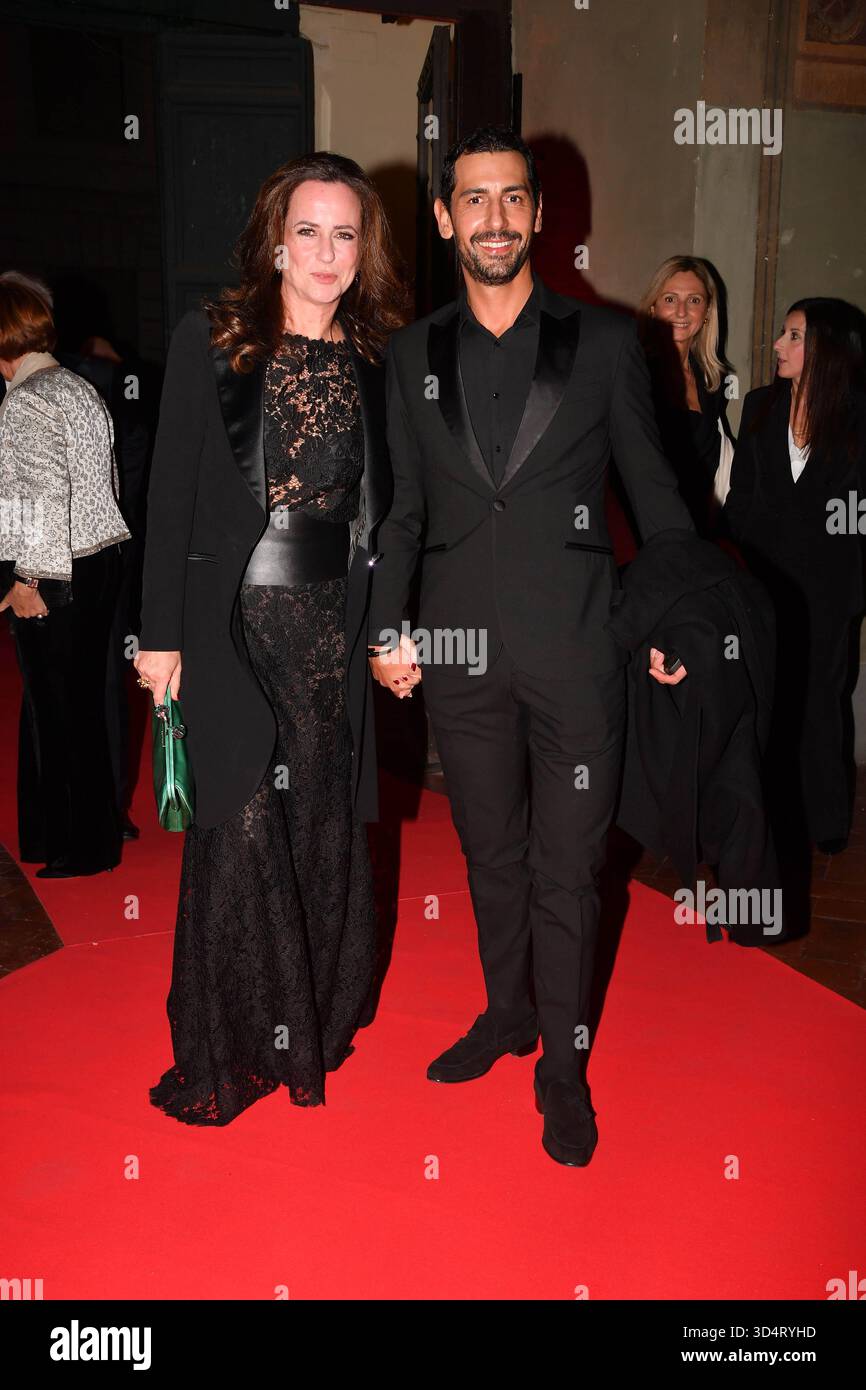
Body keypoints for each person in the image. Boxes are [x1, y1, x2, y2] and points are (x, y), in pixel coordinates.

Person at [368, 126, 692, 1167]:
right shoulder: (410, 355)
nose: (493, 218)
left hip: (577, 658)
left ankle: (562, 1066)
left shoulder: (603, 345)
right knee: (488, 853)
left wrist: (672, 619)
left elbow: (654, 496)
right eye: (474, 200)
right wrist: (387, 623)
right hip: (458, 661)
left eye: (512, 199)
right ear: (443, 217)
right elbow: (403, 515)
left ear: (539, 216)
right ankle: (506, 1013)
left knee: (566, 871)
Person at [135, 152, 407, 1126]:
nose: (326, 251)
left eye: (345, 233)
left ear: (361, 248)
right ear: (274, 241)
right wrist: (156, 637)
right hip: (230, 630)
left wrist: (395, 630)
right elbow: (167, 496)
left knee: (318, 829)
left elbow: (392, 514)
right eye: (308, 230)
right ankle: (232, 1043)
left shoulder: (377, 361)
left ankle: (312, 1025)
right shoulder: (212, 340)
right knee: (239, 830)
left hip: (333, 633)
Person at [725, 297, 866, 859]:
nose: (778, 346)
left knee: (821, 705)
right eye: (782, 333)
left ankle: (826, 819)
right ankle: (766, 814)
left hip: (829, 594)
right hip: (762, 586)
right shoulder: (759, 406)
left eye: (794, 336)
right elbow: (741, 501)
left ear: (828, 349)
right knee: (762, 700)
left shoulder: (858, 418)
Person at [0, 277, 130, 877]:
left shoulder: (26, 400)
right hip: (100, 559)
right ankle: (78, 837)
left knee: (57, 713)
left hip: (57, 570)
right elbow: (107, 486)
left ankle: (81, 847)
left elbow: (38, 499)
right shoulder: (80, 387)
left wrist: (29, 580)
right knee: (81, 709)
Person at [637, 255, 735, 535]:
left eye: (694, 300)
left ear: (707, 312)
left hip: (702, 529)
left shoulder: (711, 381)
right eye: (669, 299)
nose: (681, 312)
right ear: (653, 308)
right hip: (647, 530)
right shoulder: (633, 374)